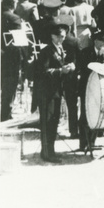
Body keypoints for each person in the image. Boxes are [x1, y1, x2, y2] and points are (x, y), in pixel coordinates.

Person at [33, 22, 76, 162]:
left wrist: (69, 68)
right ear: (52, 36)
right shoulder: (46, 51)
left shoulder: (60, 49)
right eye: (58, 36)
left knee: (54, 121)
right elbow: (43, 72)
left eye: (63, 36)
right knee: (47, 123)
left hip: (56, 91)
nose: (60, 39)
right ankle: (47, 153)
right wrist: (60, 71)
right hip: (46, 92)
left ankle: (50, 150)